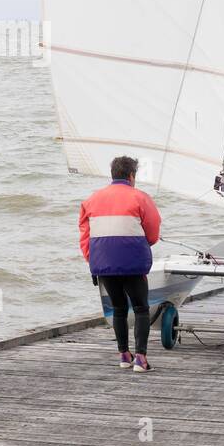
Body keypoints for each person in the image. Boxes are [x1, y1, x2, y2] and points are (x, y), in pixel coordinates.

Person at [78, 155, 161, 373]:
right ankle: (141, 359)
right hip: (133, 264)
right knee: (142, 308)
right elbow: (153, 232)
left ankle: (124, 355)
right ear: (131, 176)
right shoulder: (140, 198)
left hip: (104, 264)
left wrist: (95, 260)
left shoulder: (91, 200)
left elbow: (85, 237)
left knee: (118, 308)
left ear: (113, 174)